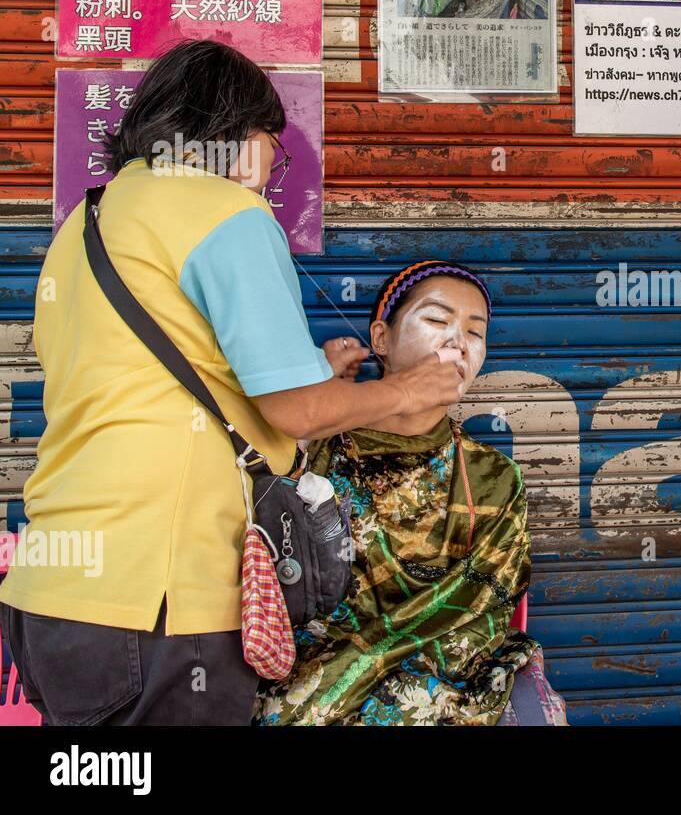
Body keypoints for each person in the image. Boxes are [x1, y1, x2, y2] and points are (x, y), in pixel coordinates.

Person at [0, 39, 466, 726]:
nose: (275, 166)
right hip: (159, 602)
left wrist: (317, 378)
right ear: (231, 133)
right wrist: (408, 390)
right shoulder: (226, 212)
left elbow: (153, 381)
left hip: (53, 602)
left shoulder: (87, 223)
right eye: (271, 141)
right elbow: (296, 411)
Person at [255, 261, 567, 726]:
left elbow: (478, 614)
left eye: (474, 332)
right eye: (438, 321)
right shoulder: (309, 450)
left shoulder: (492, 478)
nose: (457, 342)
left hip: (448, 679)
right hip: (308, 671)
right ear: (380, 339)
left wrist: (375, 681)